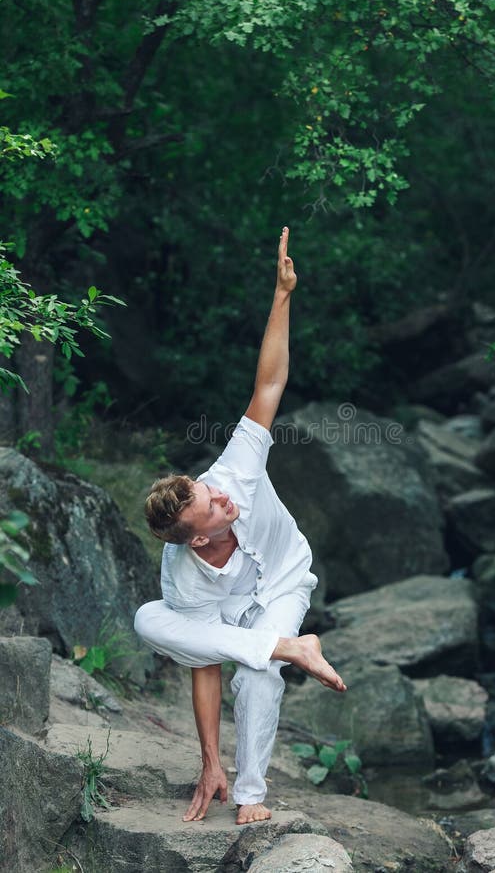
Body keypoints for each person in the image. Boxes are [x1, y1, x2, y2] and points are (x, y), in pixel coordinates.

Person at [134, 226, 346, 827]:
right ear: (196, 537)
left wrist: (282, 295)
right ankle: (287, 649)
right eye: (213, 506)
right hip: (230, 620)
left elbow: (270, 383)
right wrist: (207, 759)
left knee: (257, 677)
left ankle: (251, 792)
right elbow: (204, 667)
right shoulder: (185, 578)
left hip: (282, 583)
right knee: (149, 620)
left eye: (211, 489)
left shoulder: (234, 470)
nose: (224, 496)